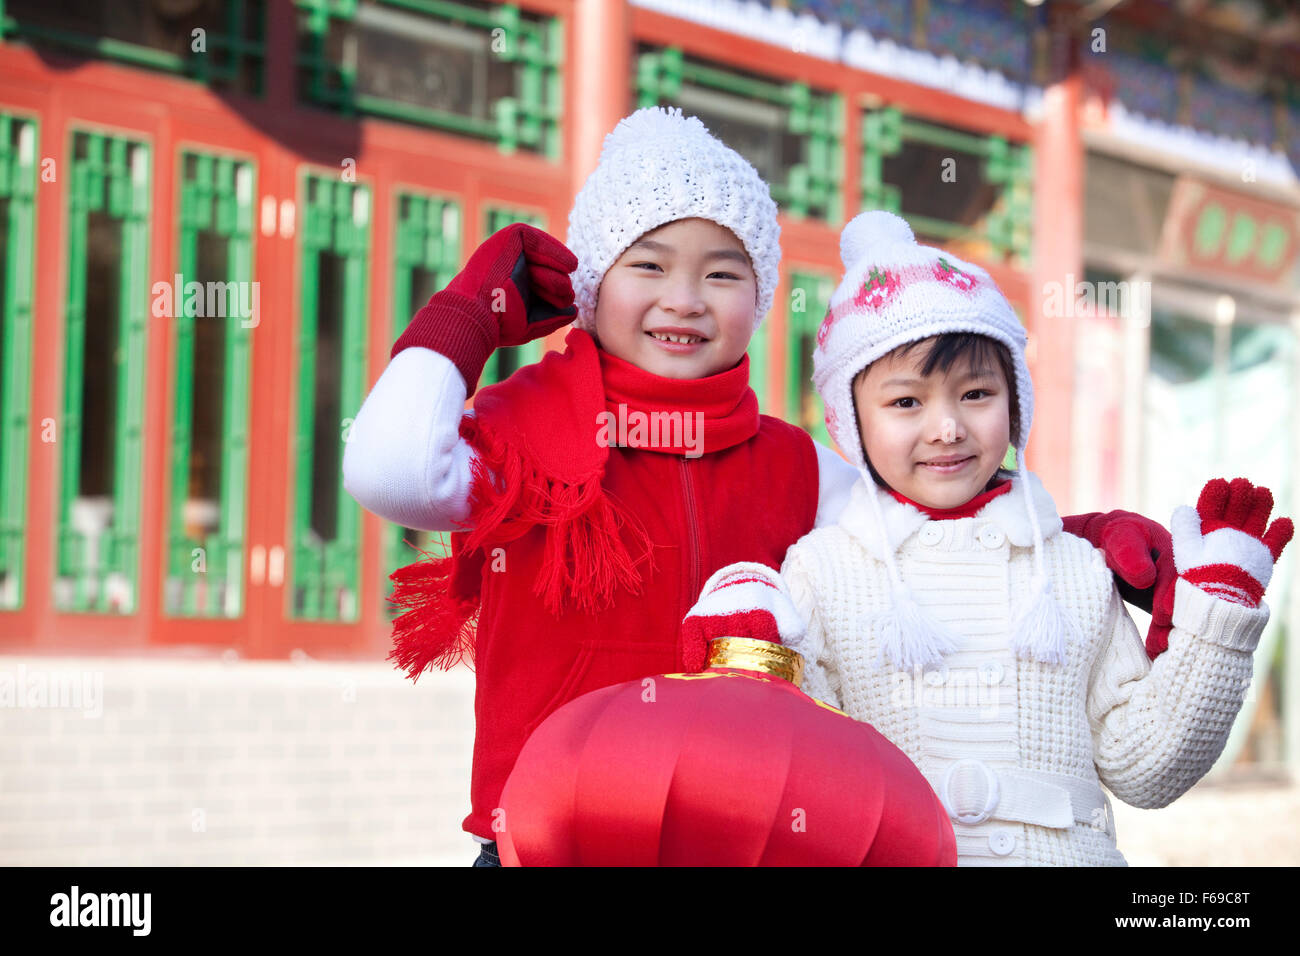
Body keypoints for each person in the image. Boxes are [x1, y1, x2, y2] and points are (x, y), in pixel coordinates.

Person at [342, 110, 1178, 866]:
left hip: (737, 841)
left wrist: (1077, 534)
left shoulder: (798, 463)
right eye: (648, 264)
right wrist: (469, 313)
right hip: (548, 838)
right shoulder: (522, 438)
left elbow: (933, 538)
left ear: (761, 297)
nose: (684, 299)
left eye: (721, 274)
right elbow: (390, 469)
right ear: (592, 289)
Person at [684, 210, 1293, 866]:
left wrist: (1215, 624)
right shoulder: (823, 570)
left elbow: (1146, 769)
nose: (947, 428)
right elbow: (803, 767)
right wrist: (748, 655)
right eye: (906, 403)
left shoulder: (1072, 568)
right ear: (852, 422)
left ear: (1015, 403)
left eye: (975, 393)